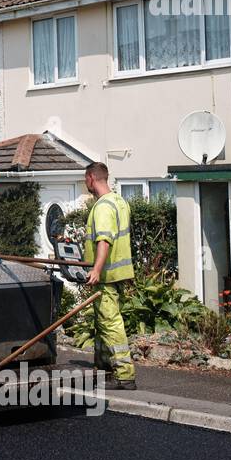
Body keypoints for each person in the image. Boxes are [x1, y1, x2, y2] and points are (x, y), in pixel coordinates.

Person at [81, 162, 137, 389]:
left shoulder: (103, 207)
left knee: (110, 323)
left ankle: (125, 375)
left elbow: (104, 240)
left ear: (92, 177)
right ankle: (104, 367)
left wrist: (95, 269)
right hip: (119, 273)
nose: (85, 183)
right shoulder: (120, 202)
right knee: (103, 322)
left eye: (85, 178)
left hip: (106, 276)